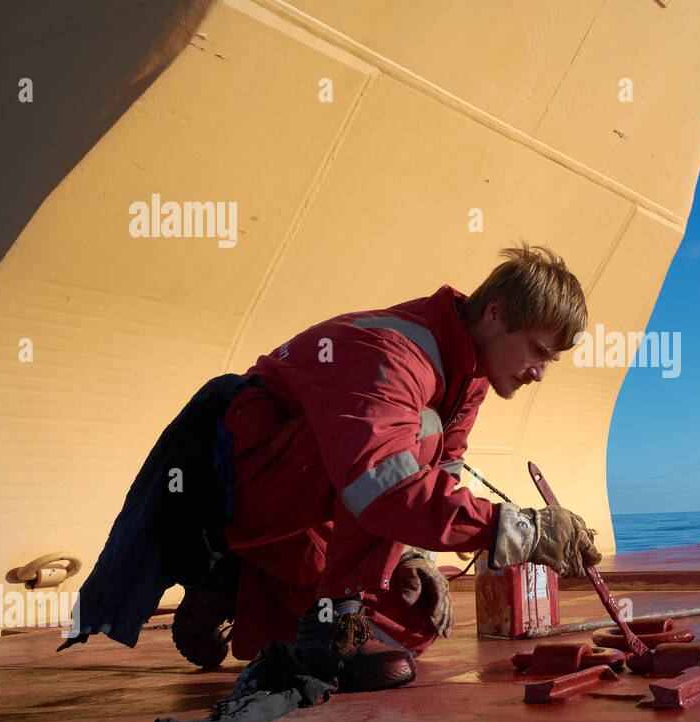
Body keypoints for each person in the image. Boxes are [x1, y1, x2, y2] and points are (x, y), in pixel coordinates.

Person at [77, 244, 602, 692]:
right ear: (495, 312)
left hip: (312, 497)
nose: (538, 373)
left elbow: (435, 475)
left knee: (413, 621)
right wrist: (520, 530)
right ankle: (326, 623)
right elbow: (383, 484)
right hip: (244, 483)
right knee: (421, 428)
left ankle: (236, 588)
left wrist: (413, 557)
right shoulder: (396, 354)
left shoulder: (471, 374)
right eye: (537, 351)